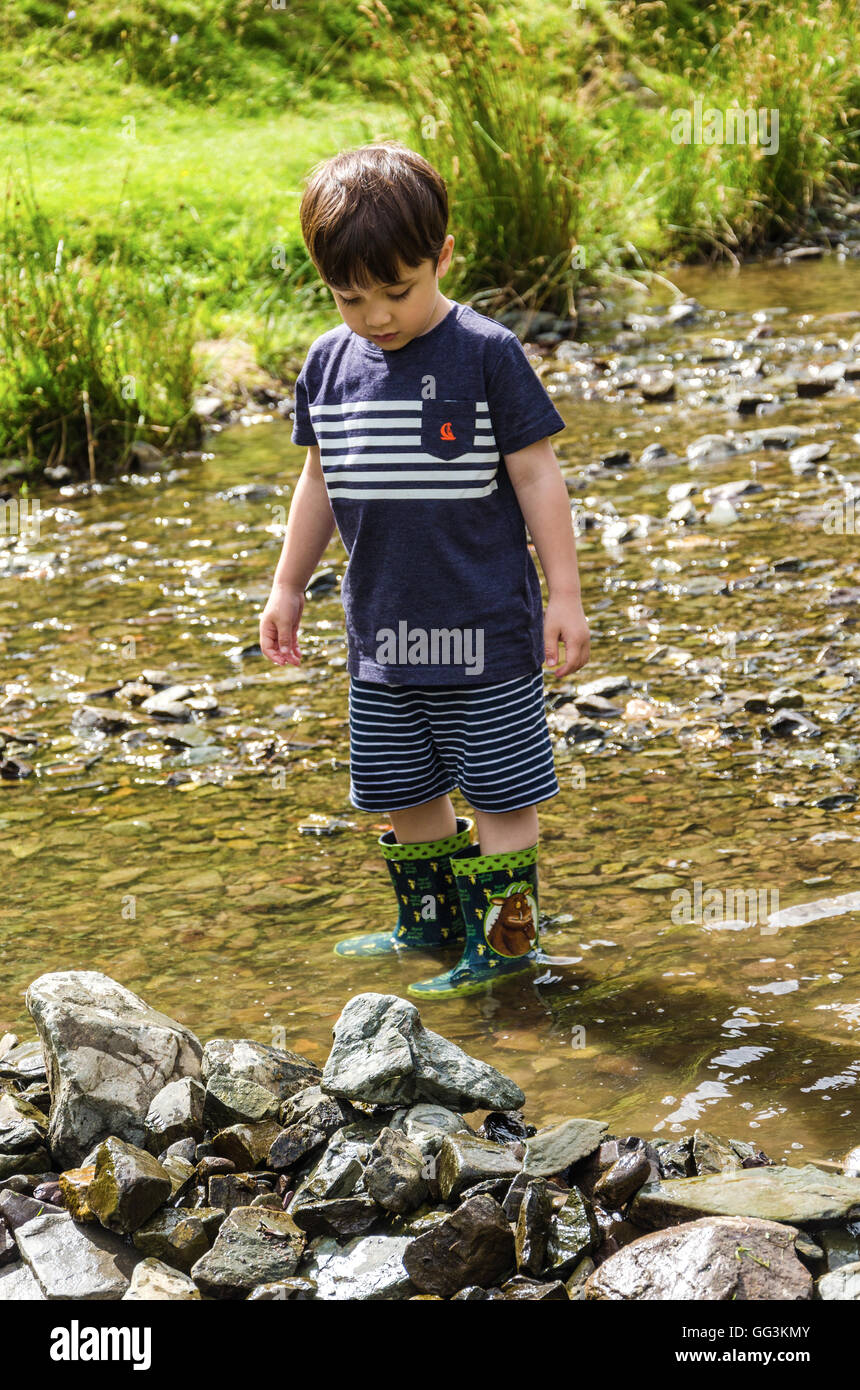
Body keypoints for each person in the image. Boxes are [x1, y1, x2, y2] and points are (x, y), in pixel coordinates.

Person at [260, 141, 590, 997]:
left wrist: (565, 595)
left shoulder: (485, 352)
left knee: (501, 792)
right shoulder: (330, 366)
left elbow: (536, 475)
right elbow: (318, 479)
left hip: (483, 630)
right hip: (383, 632)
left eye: (396, 291)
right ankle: (431, 925)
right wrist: (288, 583)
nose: (375, 316)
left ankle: (506, 944)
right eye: (349, 296)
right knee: (404, 788)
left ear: (442, 256)